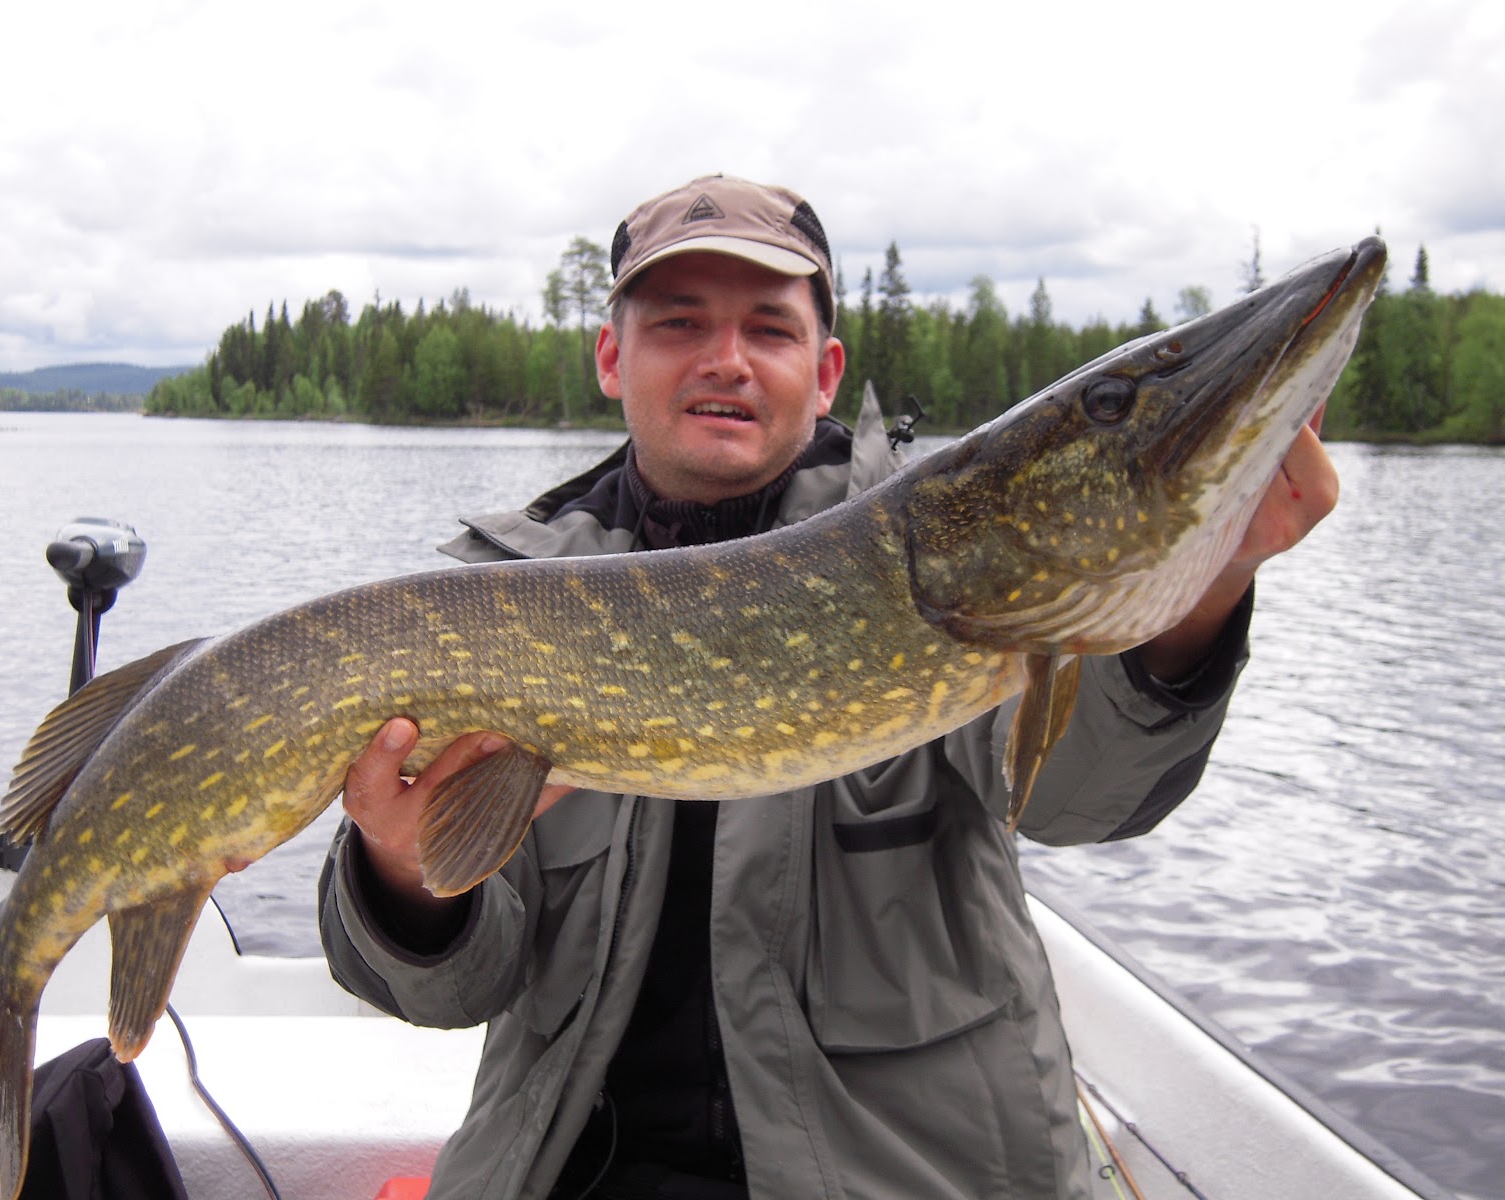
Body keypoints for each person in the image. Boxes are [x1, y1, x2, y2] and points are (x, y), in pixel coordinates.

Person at [317, 174, 1337, 1200]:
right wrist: (402, 871)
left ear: (825, 371)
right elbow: (447, 992)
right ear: (612, 356)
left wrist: (1209, 584)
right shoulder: (502, 607)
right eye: (679, 323)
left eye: (769, 328)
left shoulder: (942, 558)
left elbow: (1080, 803)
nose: (726, 359)